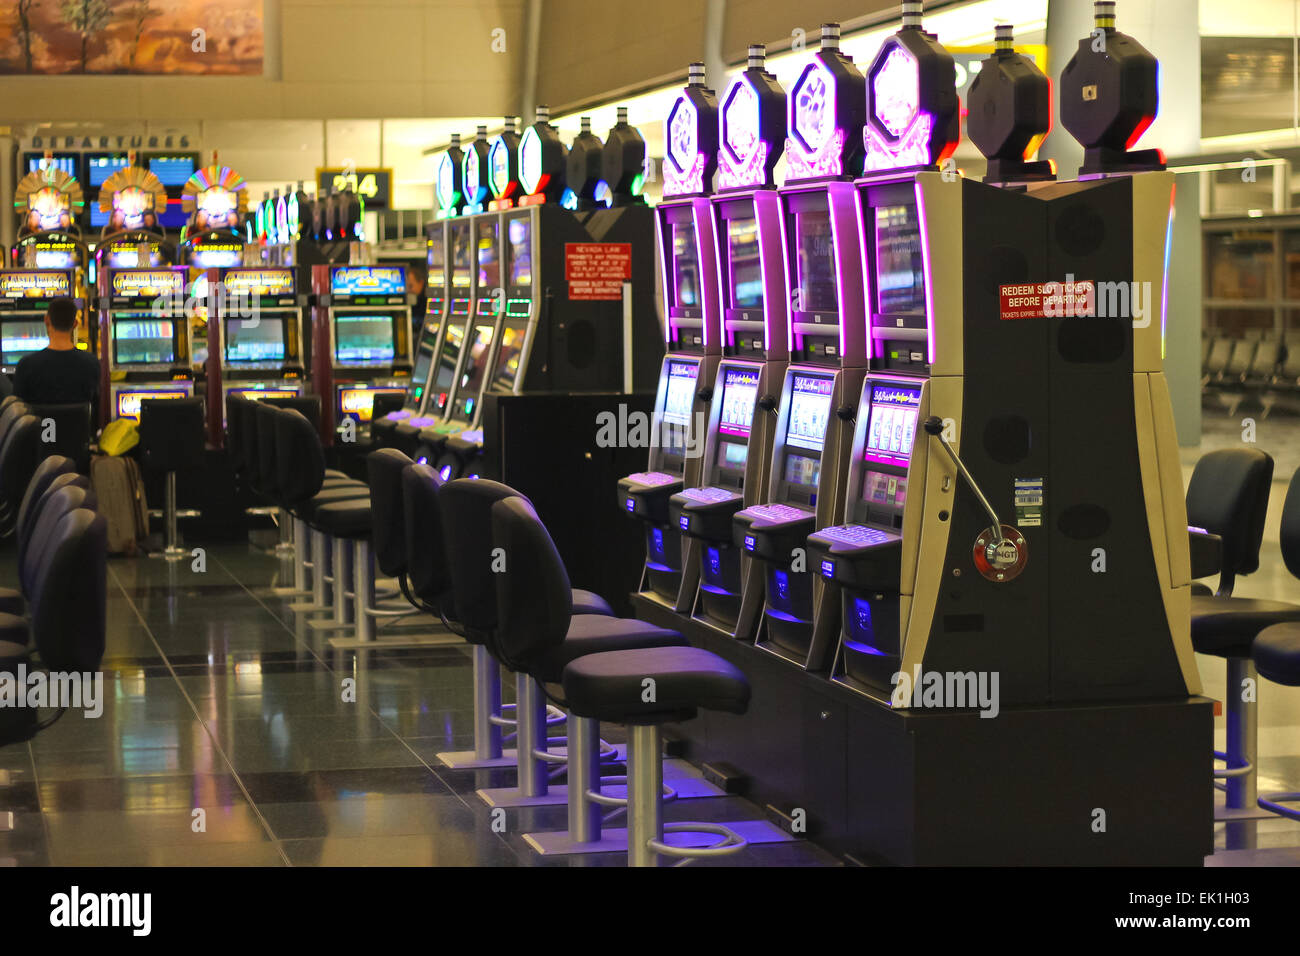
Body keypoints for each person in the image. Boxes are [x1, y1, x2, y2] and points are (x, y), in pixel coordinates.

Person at [13, 297, 100, 408]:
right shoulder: (92, 364)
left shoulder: (26, 365)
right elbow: (96, 408)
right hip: (77, 426)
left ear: (46, 320)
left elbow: (17, 411)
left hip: (40, 425)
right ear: (75, 324)